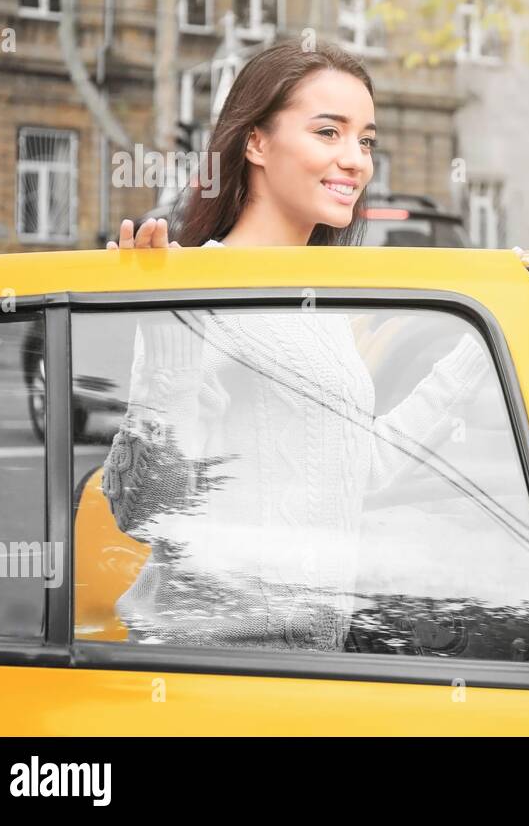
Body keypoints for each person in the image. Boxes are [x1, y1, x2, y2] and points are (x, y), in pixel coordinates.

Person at [100, 41, 491, 651]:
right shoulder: (195, 285)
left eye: (365, 141)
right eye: (329, 132)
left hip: (308, 662)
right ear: (255, 142)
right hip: (214, 666)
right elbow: (143, 508)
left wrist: (485, 341)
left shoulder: (315, 303)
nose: (355, 161)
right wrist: (170, 354)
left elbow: (359, 469)